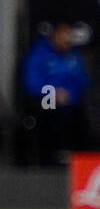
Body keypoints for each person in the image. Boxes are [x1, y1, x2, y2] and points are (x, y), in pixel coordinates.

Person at [22, 20, 92, 163]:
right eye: (63, 33)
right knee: (51, 109)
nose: (66, 37)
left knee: (83, 114)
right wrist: (54, 92)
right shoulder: (39, 54)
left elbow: (82, 81)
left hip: (71, 100)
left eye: (68, 33)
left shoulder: (74, 56)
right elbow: (32, 82)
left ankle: (83, 157)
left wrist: (69, 94)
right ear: (54, 34)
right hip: (46, 99)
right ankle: (54, 154)